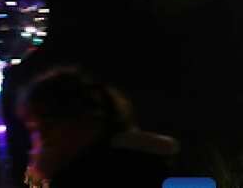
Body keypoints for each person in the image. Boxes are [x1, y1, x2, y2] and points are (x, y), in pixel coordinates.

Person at [17, 66, 180, 187]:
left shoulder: (118, 169)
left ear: (83, 119)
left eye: (45, 125)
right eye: (33, 129)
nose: (40, 140)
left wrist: (37, 177)